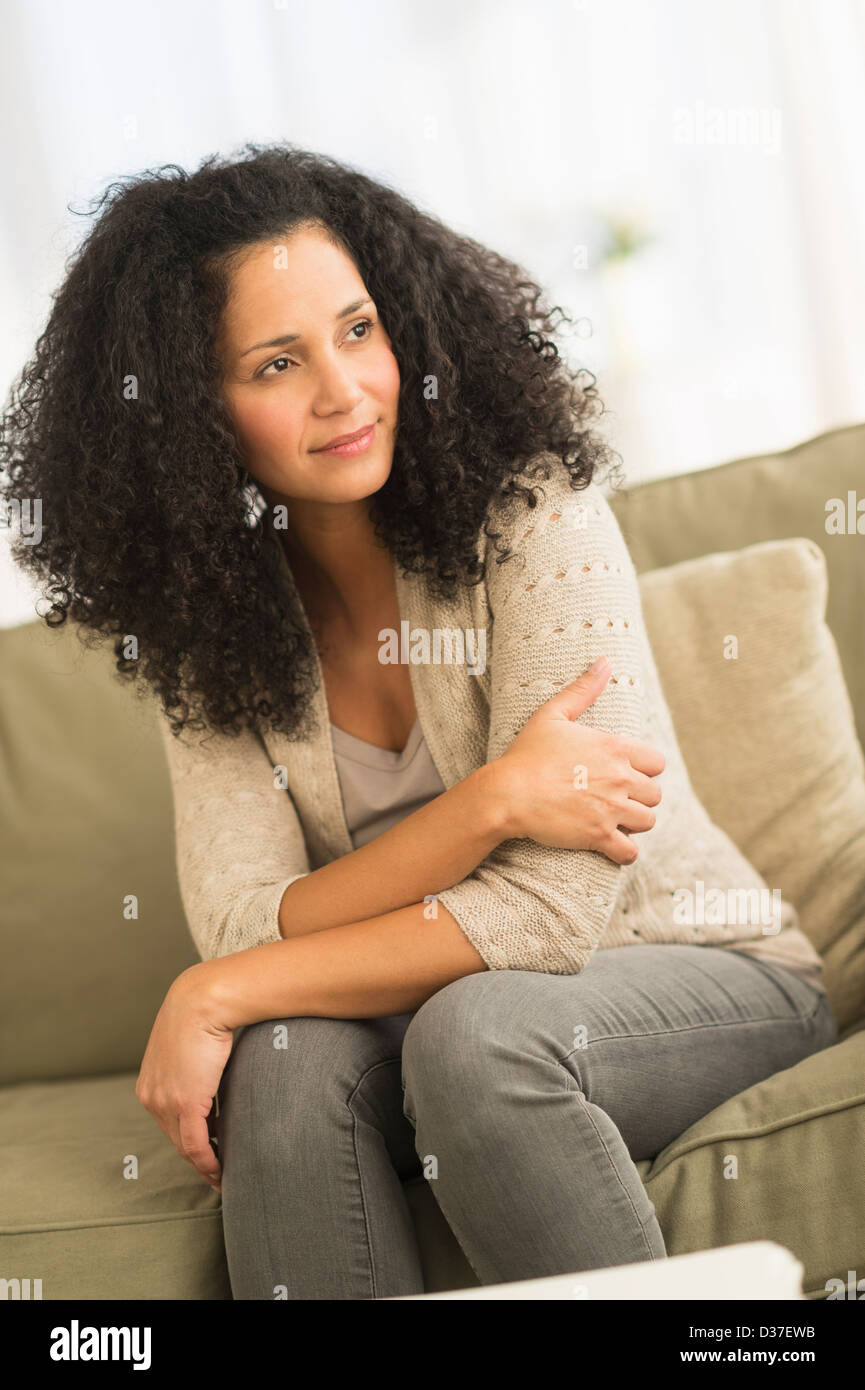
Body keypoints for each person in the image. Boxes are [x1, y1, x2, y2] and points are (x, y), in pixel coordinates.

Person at [1, 143, 835, 1301]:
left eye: (358, 329)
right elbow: (246, 918)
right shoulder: (202, 623)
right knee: (284, 1069)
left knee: (474, 1033)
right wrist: (488, 802)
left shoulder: (533, 512)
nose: (342, 389)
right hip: (421, 1013)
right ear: (192, 418)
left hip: (697, 971)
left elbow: (550, 912)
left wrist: (220, 989)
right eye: (277, 362)